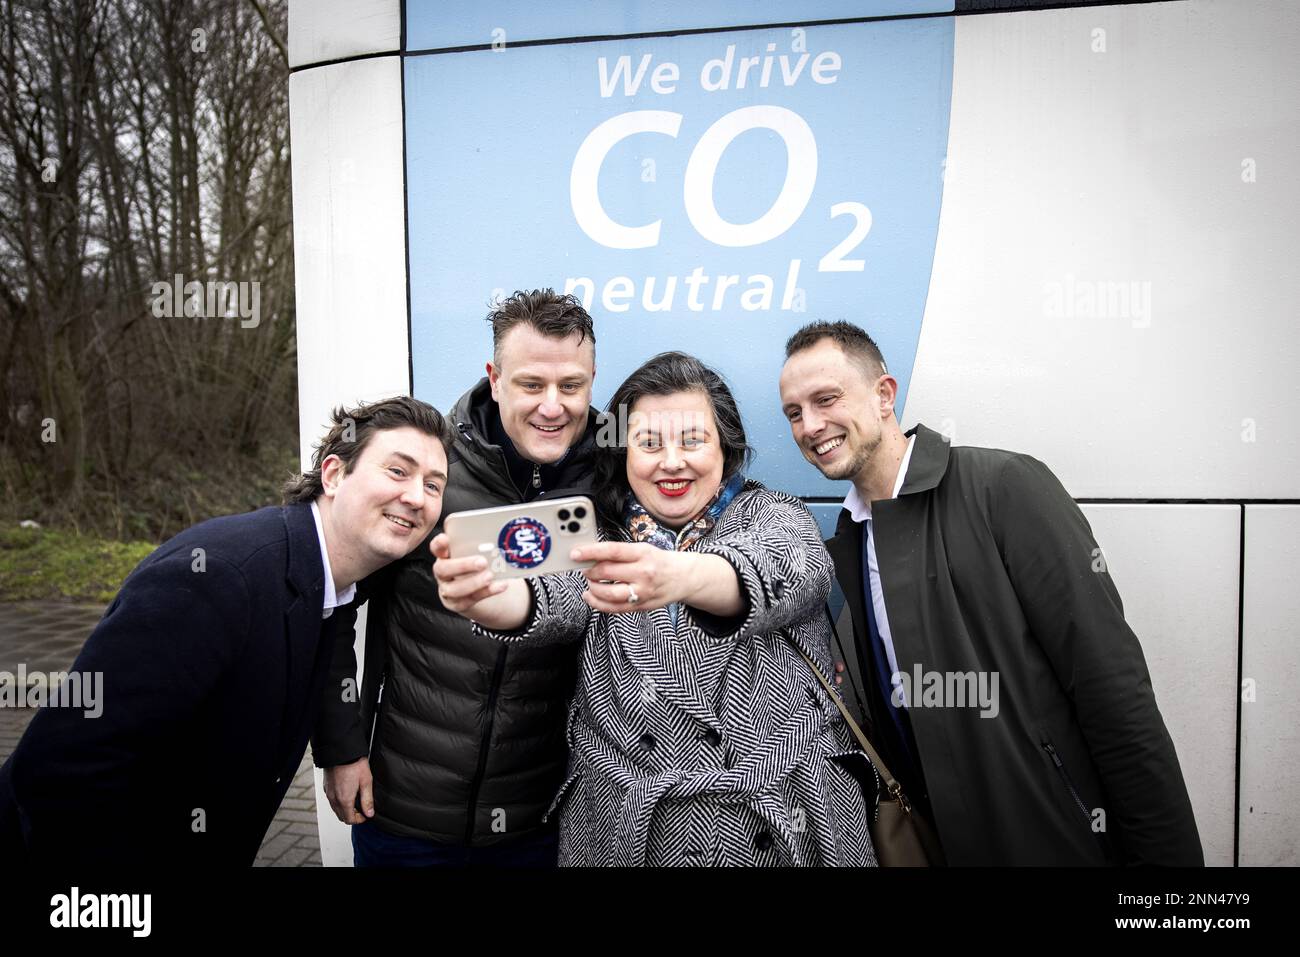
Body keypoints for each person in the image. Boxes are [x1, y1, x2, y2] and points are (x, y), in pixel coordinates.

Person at [778, 320, 1203, 865]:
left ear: (884, 395)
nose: (811, 425)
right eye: (794, 413)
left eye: (826, 399)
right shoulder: (851, 538)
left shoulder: (1002, 486)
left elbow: (1115, 694)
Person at [434, 352, 877, 867]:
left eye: (693, 440)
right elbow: (555, 596)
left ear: (726, 450)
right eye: (649, 443)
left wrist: (678, 576)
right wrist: (496, 601)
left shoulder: (778, 518)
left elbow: (785, 573)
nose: (671, 462)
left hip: (782, 825)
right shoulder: (598, 536)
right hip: (627, 831)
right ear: (623, 454)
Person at [0, 396, 452, 866]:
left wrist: (343, 749)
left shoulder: (330, 581)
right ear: (334, 474)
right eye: (398, 471)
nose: (417, 497)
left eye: (433, 484)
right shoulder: (216, 579)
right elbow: (56, 772)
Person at [313, 290, 599, 867]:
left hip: (538, 821)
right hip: (404, 813)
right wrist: (341, 749)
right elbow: (335, 603)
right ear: (494, 379)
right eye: (531, 385)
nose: (552, 406)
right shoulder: (427, 472)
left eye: (571, 386)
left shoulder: (612, 477)